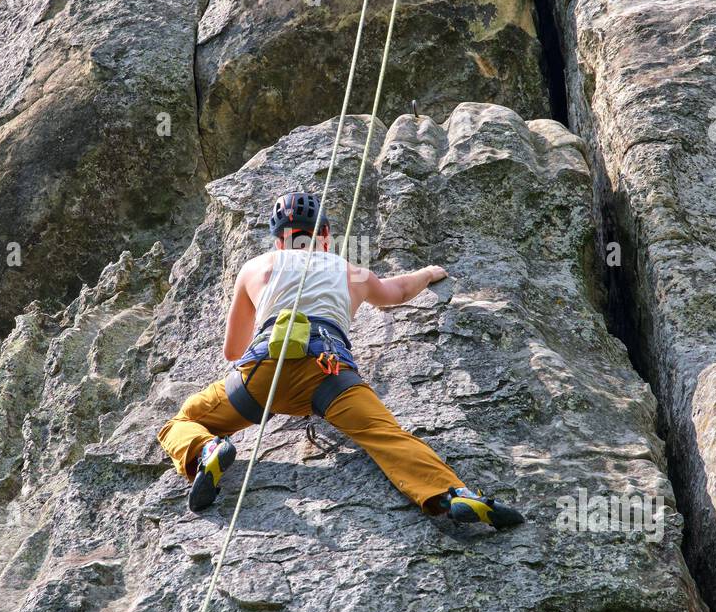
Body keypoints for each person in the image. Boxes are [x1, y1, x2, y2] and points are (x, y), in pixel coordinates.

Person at [156, 191, 524, 529]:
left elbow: (232, 352)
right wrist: (428, 273)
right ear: (326, 235)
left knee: (184, 419)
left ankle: (207, 449)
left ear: (278, 239)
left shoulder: (256, 267)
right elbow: (397, 292)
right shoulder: (352, 271)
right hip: (330, 372)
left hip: (264, 370)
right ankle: (452, 494)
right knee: (386, 436)